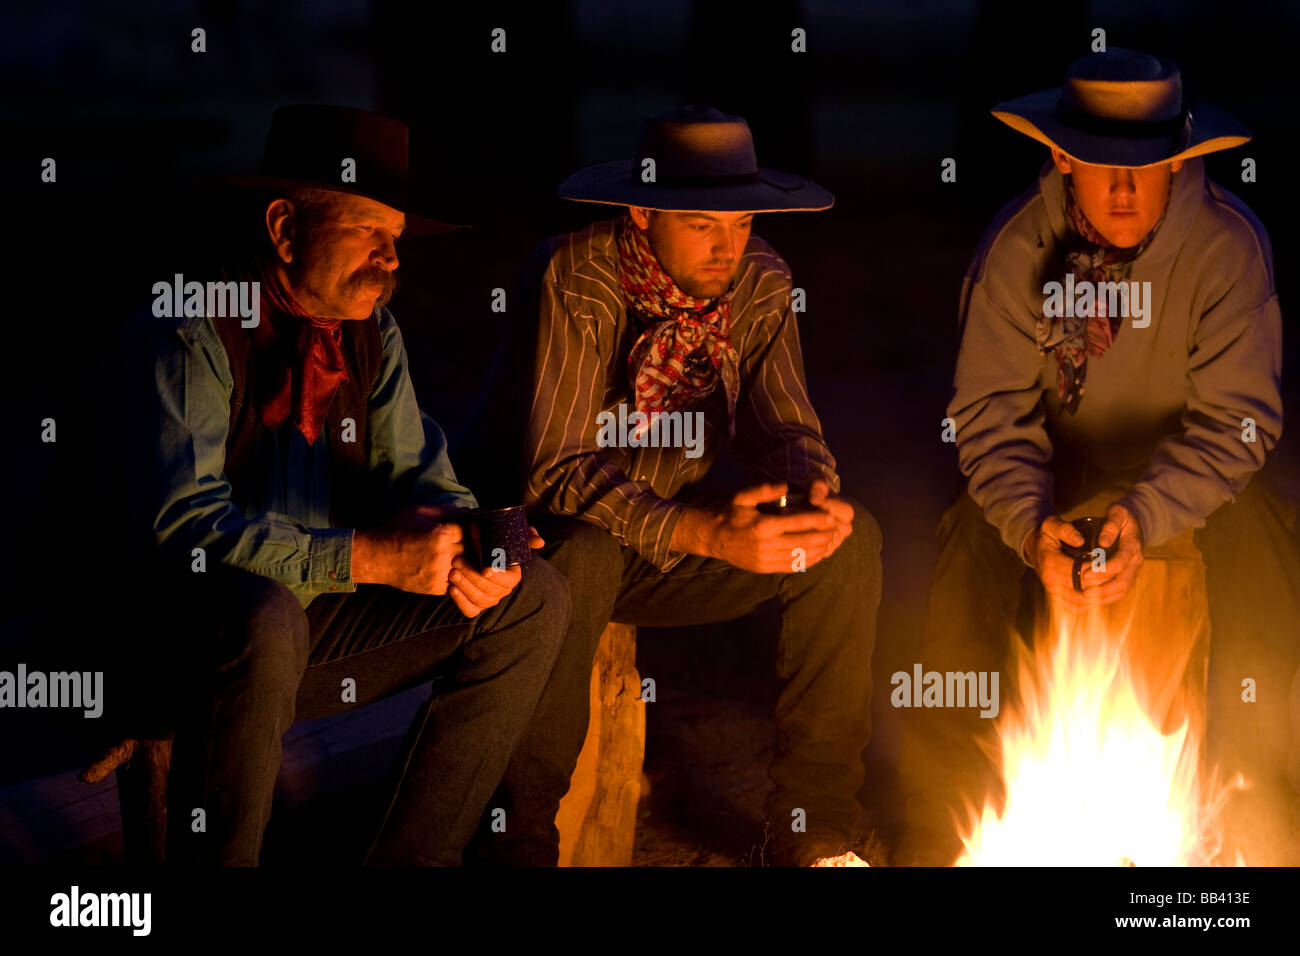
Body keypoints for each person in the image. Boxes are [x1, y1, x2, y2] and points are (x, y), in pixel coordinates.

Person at [129, 105, 570, 865]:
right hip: (173, 646)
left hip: (304, 634)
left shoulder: (369, 333)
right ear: (284, 227)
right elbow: (185, 536)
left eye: (396, 240)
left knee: (534, 594)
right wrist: (364, 559)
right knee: (264, 616)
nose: (392, 259)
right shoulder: (190, 326)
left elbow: (416, 475)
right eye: (370, 230)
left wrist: (478, 542)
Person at [898, 49, 1300, 865]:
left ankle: (1266, 814)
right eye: (1101, 167)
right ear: (1059, 157)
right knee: (967, 545)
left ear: (1179, 163)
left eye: (1146, 168)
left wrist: (1147, 514)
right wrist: (1028, 522)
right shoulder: (1016, 252)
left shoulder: (1228, 249)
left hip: (1187, 480)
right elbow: (988, 419)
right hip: (1060, 472)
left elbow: (1239, 425)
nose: (1123, 191)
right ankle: (938, 827)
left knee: (1263, 543)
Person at [468, 105, 882, 867]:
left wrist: (808, 485)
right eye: (702, 224)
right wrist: (704, 533)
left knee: (849, 547)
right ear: (642, 210)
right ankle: (517, 842)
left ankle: (811, 828)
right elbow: (551, 471)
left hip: (657, 536)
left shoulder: (759, 280)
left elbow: (785, 426)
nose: (728, 246)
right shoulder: (576, 275)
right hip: (521, 538)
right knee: (587, 554)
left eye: (742, 222)